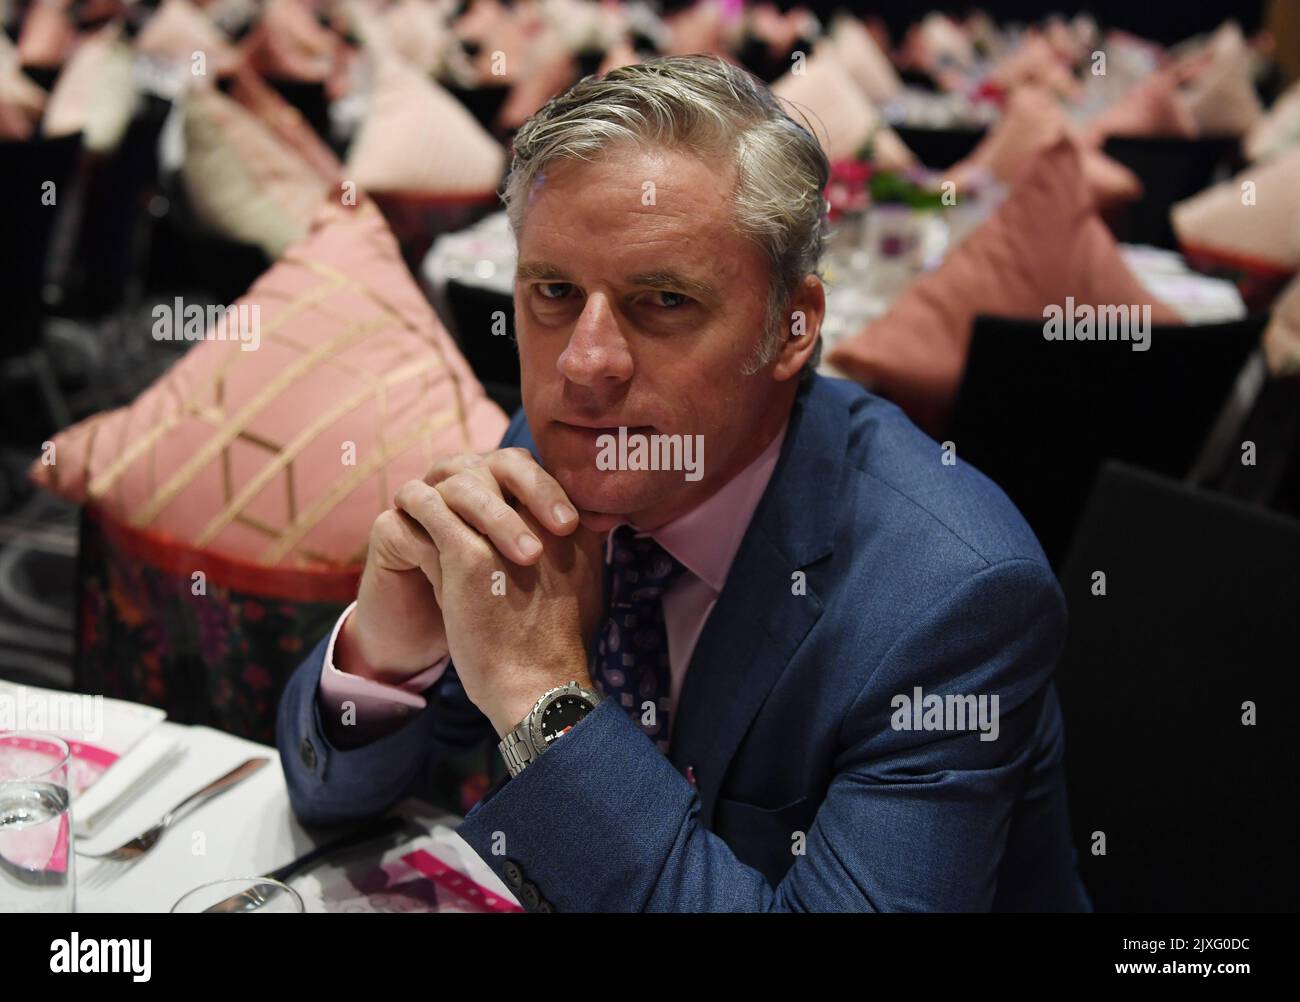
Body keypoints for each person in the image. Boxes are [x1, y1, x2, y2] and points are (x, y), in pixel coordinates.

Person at [276, 54, 1091, 912]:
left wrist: (543, 704)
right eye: (553, 291)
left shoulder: (952, 600)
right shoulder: (559, 457)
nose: (584, 366)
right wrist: (383, 661)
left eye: (663, 302)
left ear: (791, 327)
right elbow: (332, 802)